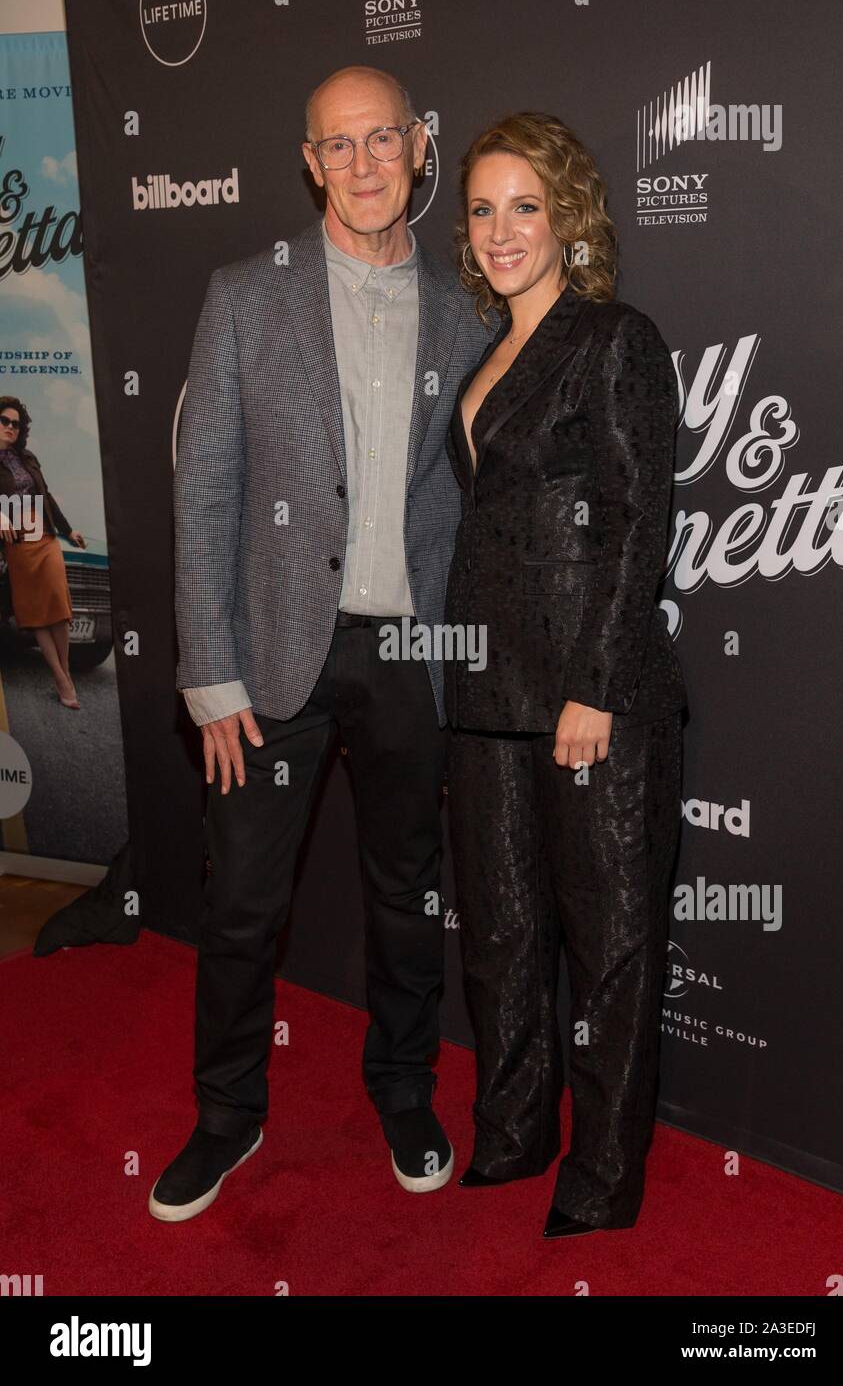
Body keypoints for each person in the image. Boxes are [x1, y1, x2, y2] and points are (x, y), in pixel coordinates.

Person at [154, 66, 491, 1222]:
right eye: (337, 146)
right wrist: (209, 673)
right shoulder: (246, 295)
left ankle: (403, 1088)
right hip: (271, 659)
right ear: (308, 161)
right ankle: (225, 1116)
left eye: (381, 139)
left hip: (409, 654)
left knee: (408, 895)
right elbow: (204, 496)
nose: (362, 165)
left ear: (416, 144)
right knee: (243, 901)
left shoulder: (464, 311)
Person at [443, 112, 688, 1238]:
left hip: (591, 693)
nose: (501, 229)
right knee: (497, 930)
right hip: (484, 686)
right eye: (483, 207)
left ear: (567, 216)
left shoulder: (613, 338)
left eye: (524, 205)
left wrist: (595, 684)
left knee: (607, 938)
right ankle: (511, 1127)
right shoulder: (480, 353)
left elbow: (640, 520)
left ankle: (599, 1171)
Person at [0, 398, 86, 709]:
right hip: (19, 541)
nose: (11, 427)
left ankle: (64, 673)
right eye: (4, 421)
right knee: (36, 613)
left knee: (58, 608)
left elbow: (45, 496)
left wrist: (68, 530)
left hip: (45, 534)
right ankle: (62, 679)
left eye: (16, 423)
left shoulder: (28, 457)